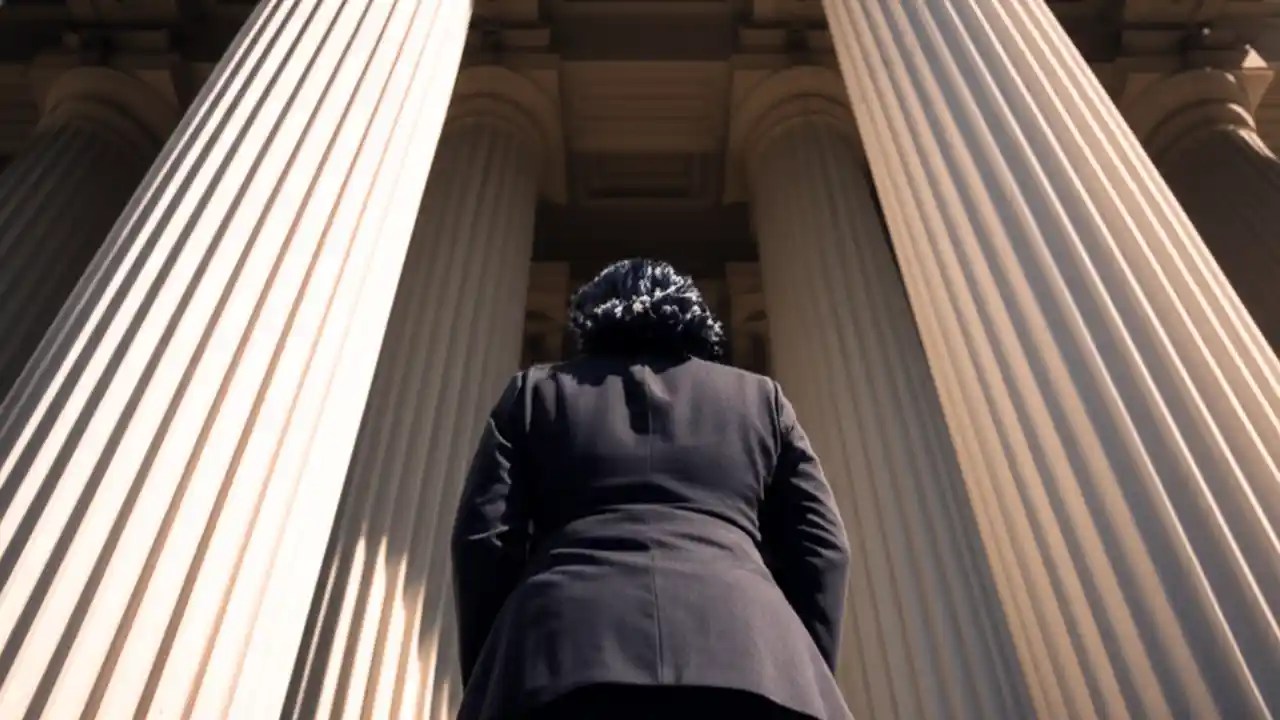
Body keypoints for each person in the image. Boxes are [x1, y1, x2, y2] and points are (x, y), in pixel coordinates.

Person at [451, 258, 853, 720]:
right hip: (751, 653)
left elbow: (483, 542)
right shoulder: (762, 399)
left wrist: (498, 670)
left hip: (562, 656)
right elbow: (823, 549)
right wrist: (799, 666)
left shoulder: (534, 393)